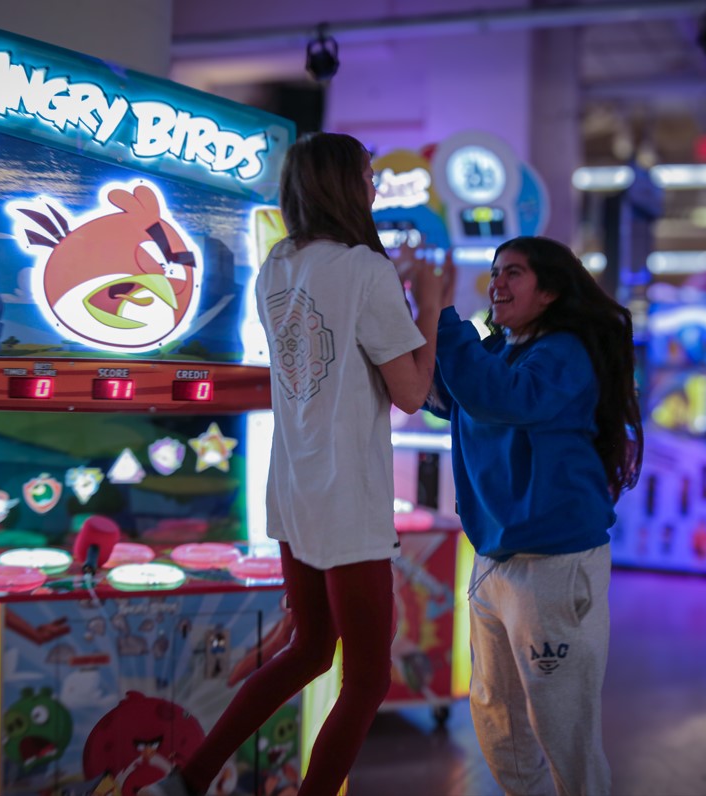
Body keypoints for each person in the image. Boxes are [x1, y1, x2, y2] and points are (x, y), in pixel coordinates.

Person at [167, 132, 450, 796]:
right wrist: (432, 302)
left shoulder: (278, 263)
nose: (374, 187)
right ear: (343, 186)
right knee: (367, 678)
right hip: (346, 502)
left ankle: (189, 779)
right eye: (367, 176)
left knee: (309, 651)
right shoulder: (362, 269)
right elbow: (411, 393)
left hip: (293, 491)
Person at [425, 236, 643, 796]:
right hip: (495, 557)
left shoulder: (564, 353)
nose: (497, 282)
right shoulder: (501, 351)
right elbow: (450, 395)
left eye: (514, 273)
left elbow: (504, 398)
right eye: (496, 271)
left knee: (561, 726)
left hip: (553, 563)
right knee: (498, 720)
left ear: (549, 290)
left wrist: (444, 317)